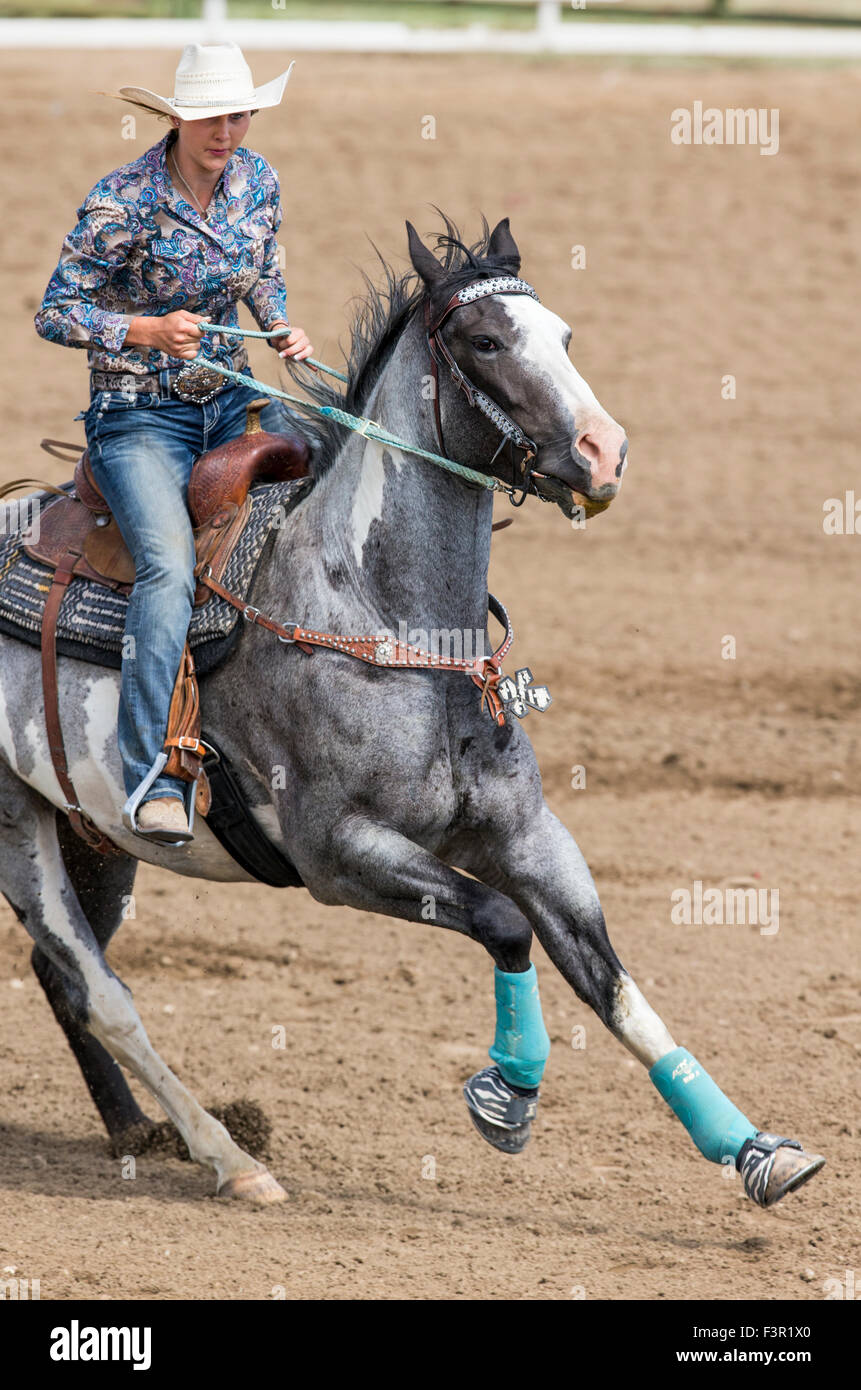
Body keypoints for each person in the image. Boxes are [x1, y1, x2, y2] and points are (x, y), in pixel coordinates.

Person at [34, 41, 313, 845]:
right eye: (213, 116)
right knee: (164, 565)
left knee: (326, 493)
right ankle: (152, 773)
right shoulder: (121, 199)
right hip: (137, 419)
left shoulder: (258, 181)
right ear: (177, 118)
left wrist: (278, 324)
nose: (228, 129)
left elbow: (261, 267)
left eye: (240, 113)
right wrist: (145, 330)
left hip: (232, 406)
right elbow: (57, 311)